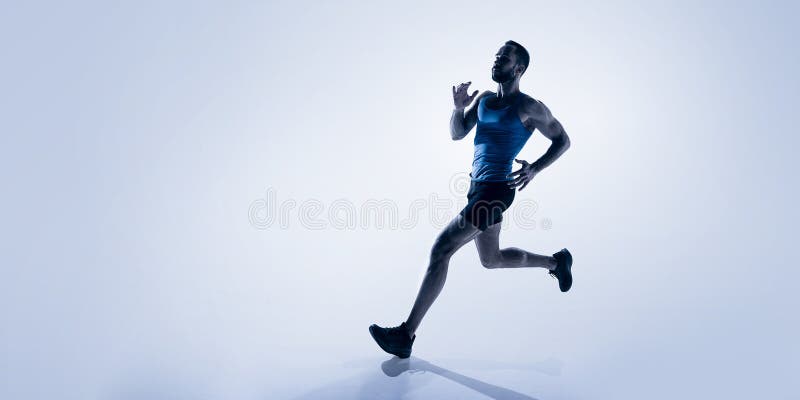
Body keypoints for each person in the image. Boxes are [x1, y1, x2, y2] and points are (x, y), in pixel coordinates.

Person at [369, 40, 573, 359]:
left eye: (504, 59)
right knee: (491, 259)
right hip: (477, 188)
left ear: (518, 69)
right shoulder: (484, 99)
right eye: (496, 56)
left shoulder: (530, 107)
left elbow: (563, 141)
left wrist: (534, 168)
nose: (496, 61)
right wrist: (458, 108)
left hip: (496, 192)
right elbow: (457, 133)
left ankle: (405, 335)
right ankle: (556, 262)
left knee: (442, 249)